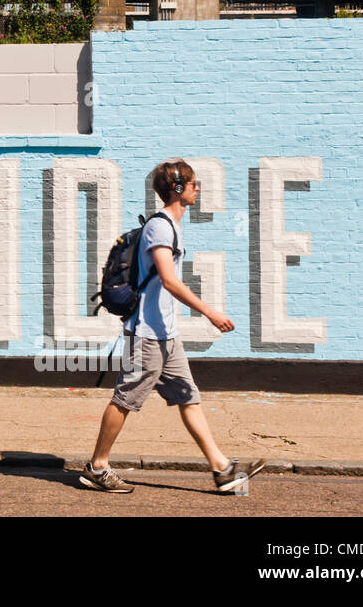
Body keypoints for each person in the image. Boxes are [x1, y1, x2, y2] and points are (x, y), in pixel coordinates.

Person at [80, 159, 266, 495]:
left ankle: (222, 469)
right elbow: (168, 279)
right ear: (179, 189)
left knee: (187, 397)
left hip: (167, 336)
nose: (199, 189)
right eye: (194, 184)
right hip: (146, 336)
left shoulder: (173, 226)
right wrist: (209, 312)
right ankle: (98, 466)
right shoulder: (161, 227)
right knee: (125, 400)